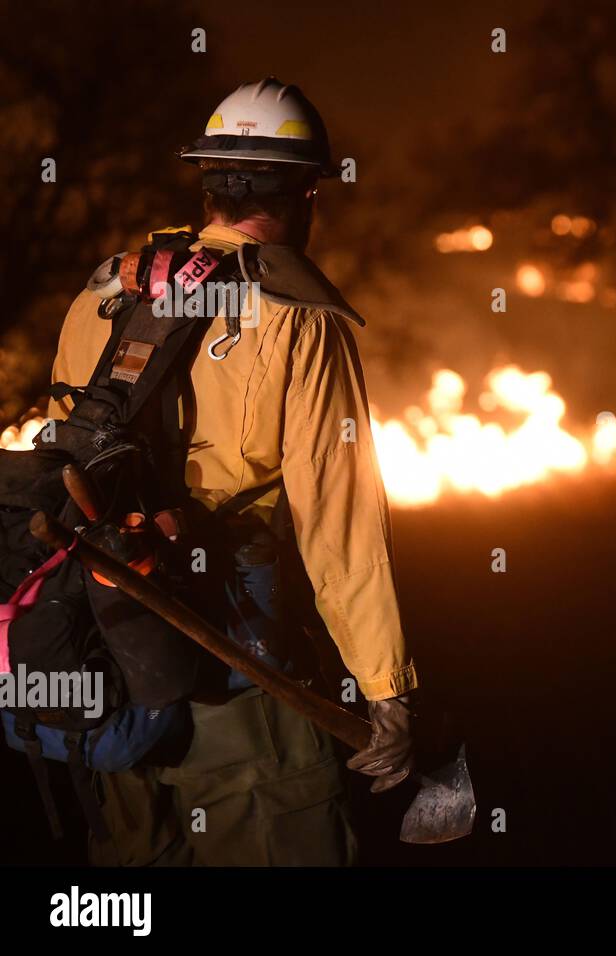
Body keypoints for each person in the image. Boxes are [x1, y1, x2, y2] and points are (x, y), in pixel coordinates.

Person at [44, 77, 416, 865]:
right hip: (240, 687)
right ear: (308, 192)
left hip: (117, 683)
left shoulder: (103, 292)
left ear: (208, 182)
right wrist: (384, 688)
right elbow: (338, 522)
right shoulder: (300, 316)